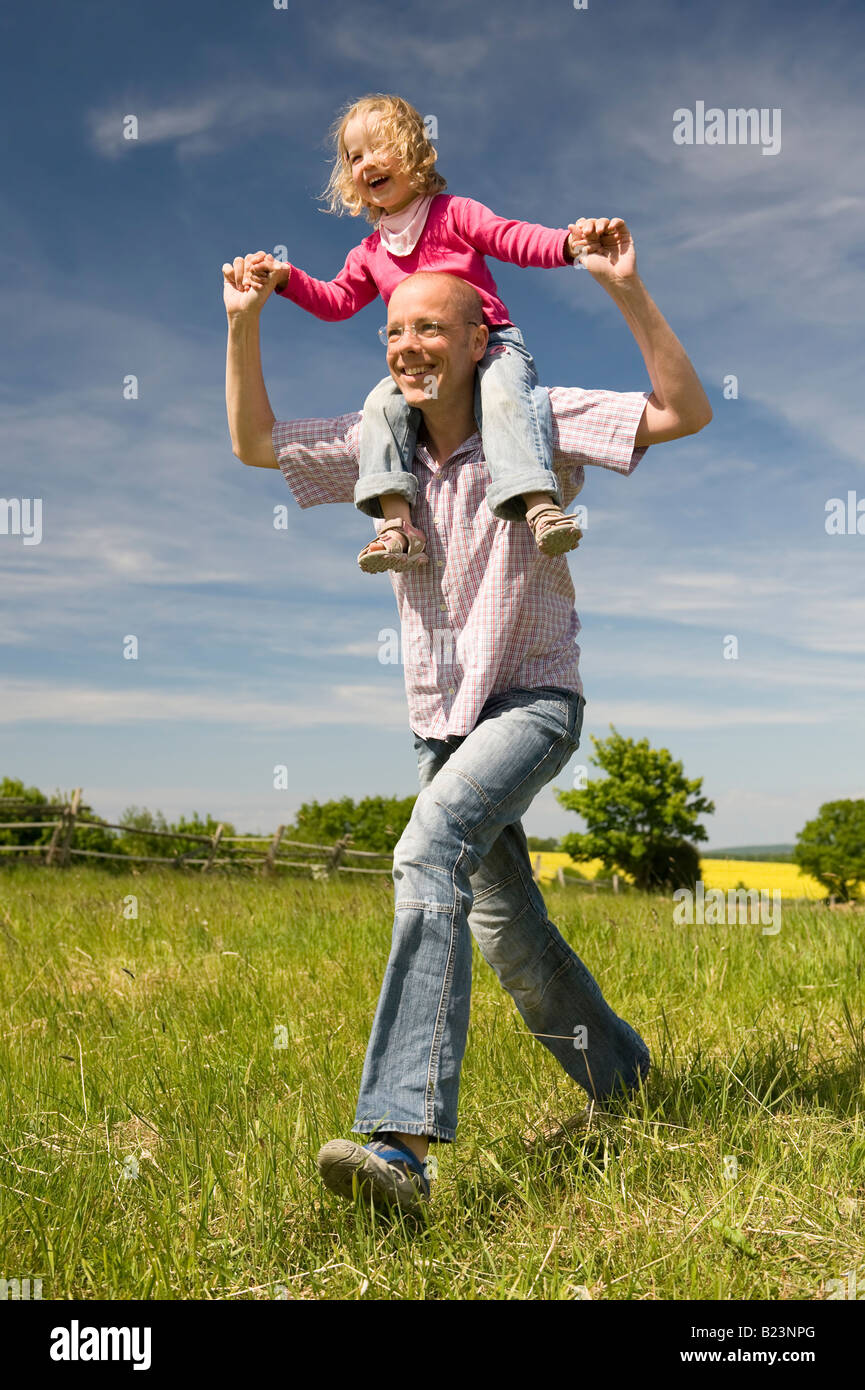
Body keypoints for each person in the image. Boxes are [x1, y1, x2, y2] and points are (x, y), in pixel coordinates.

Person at [223, 217, 713, 1215]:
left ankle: (398, 1143)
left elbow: (682, 410)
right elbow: (252, 445)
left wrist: (623, 287)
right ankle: (633, 1088)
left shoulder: (532, 418)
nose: (406, 345)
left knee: (424, 849)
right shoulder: (377, 447)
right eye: (393, 331)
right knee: (510, 937)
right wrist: (244, 325)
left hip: (534, 699)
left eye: (430, 331)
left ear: (480, 340)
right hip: (440, 724)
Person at [241, 92, 590, 573]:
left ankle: (536, 504)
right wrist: (285, 278)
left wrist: (567, 244)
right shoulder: (369, 252)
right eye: (353, 156)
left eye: (377, 148)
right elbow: (337, 301)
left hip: (486, 345)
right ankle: (397, 526)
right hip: (424, 367)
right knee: (381, 406)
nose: (365, 164)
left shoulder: (454, 214)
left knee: (505, 394)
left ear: (413, 151)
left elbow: (510, 238)